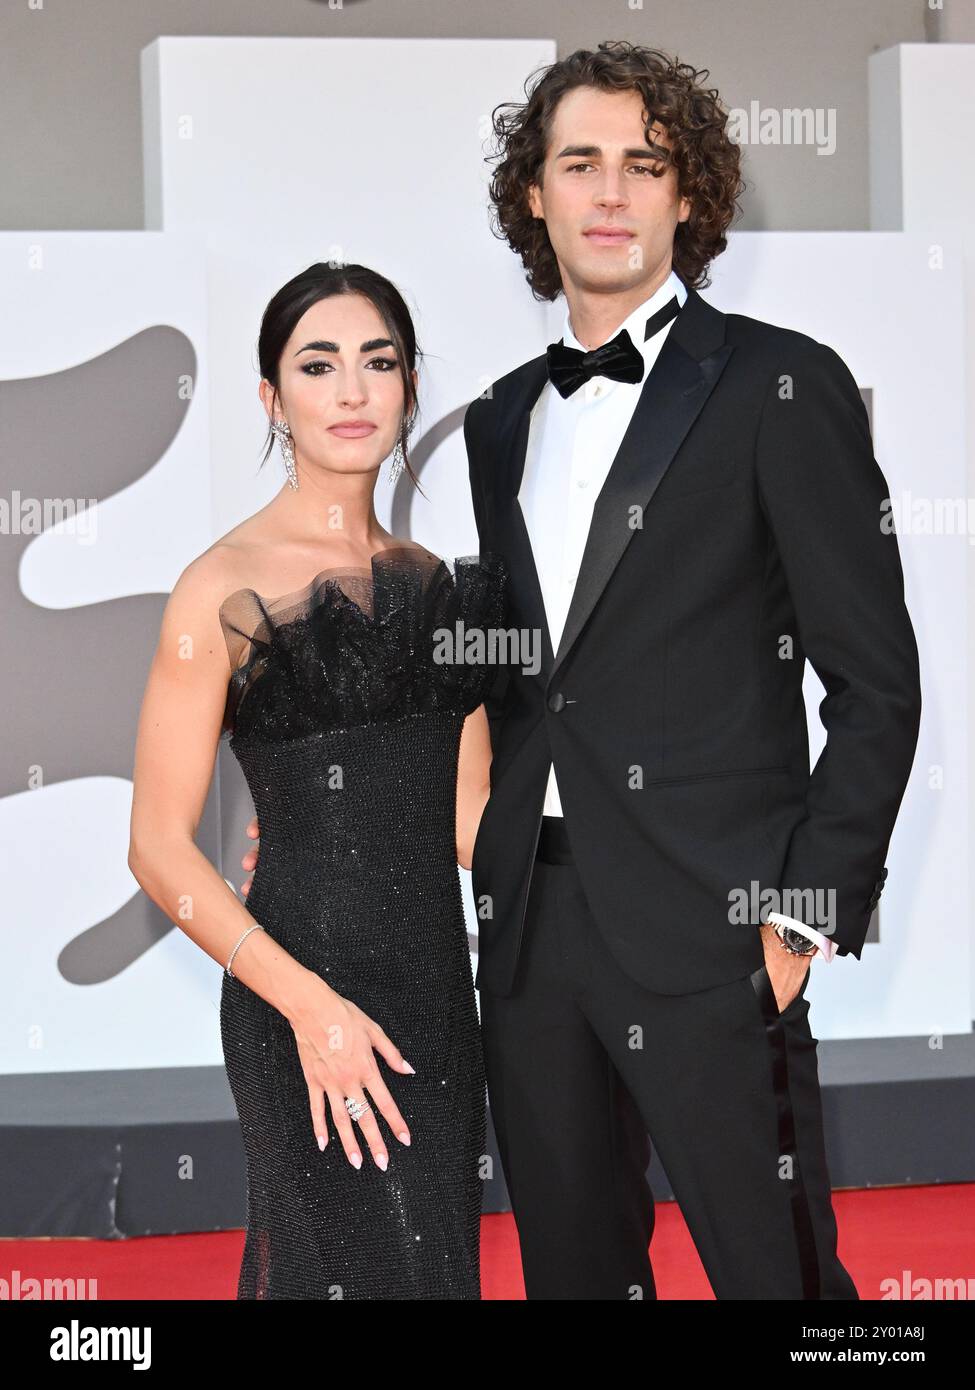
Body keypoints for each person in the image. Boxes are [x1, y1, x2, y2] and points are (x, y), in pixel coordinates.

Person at [460, 41, 921, 1298]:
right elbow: (521, 676)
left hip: (721, 931)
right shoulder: (502, 416)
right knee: (574, 1274)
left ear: (687, 196)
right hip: (534, 932)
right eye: (580, 163)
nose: (611, 192)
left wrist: (800, 919)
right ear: (536, 196)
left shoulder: (783, 383)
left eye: (644, 164)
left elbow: (878, 685)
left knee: (784, 1287)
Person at [128, 262, 506, 1299]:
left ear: (410, 386)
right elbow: (157, 848)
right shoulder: (219, 585)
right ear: (271, 398)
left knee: (431, 1275)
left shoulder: (437, 588)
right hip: (297, 1002)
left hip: (434, 1002)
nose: (352, 391)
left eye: (378, 363)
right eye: (319, 364)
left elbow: (472, 822)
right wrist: (310, 1008)